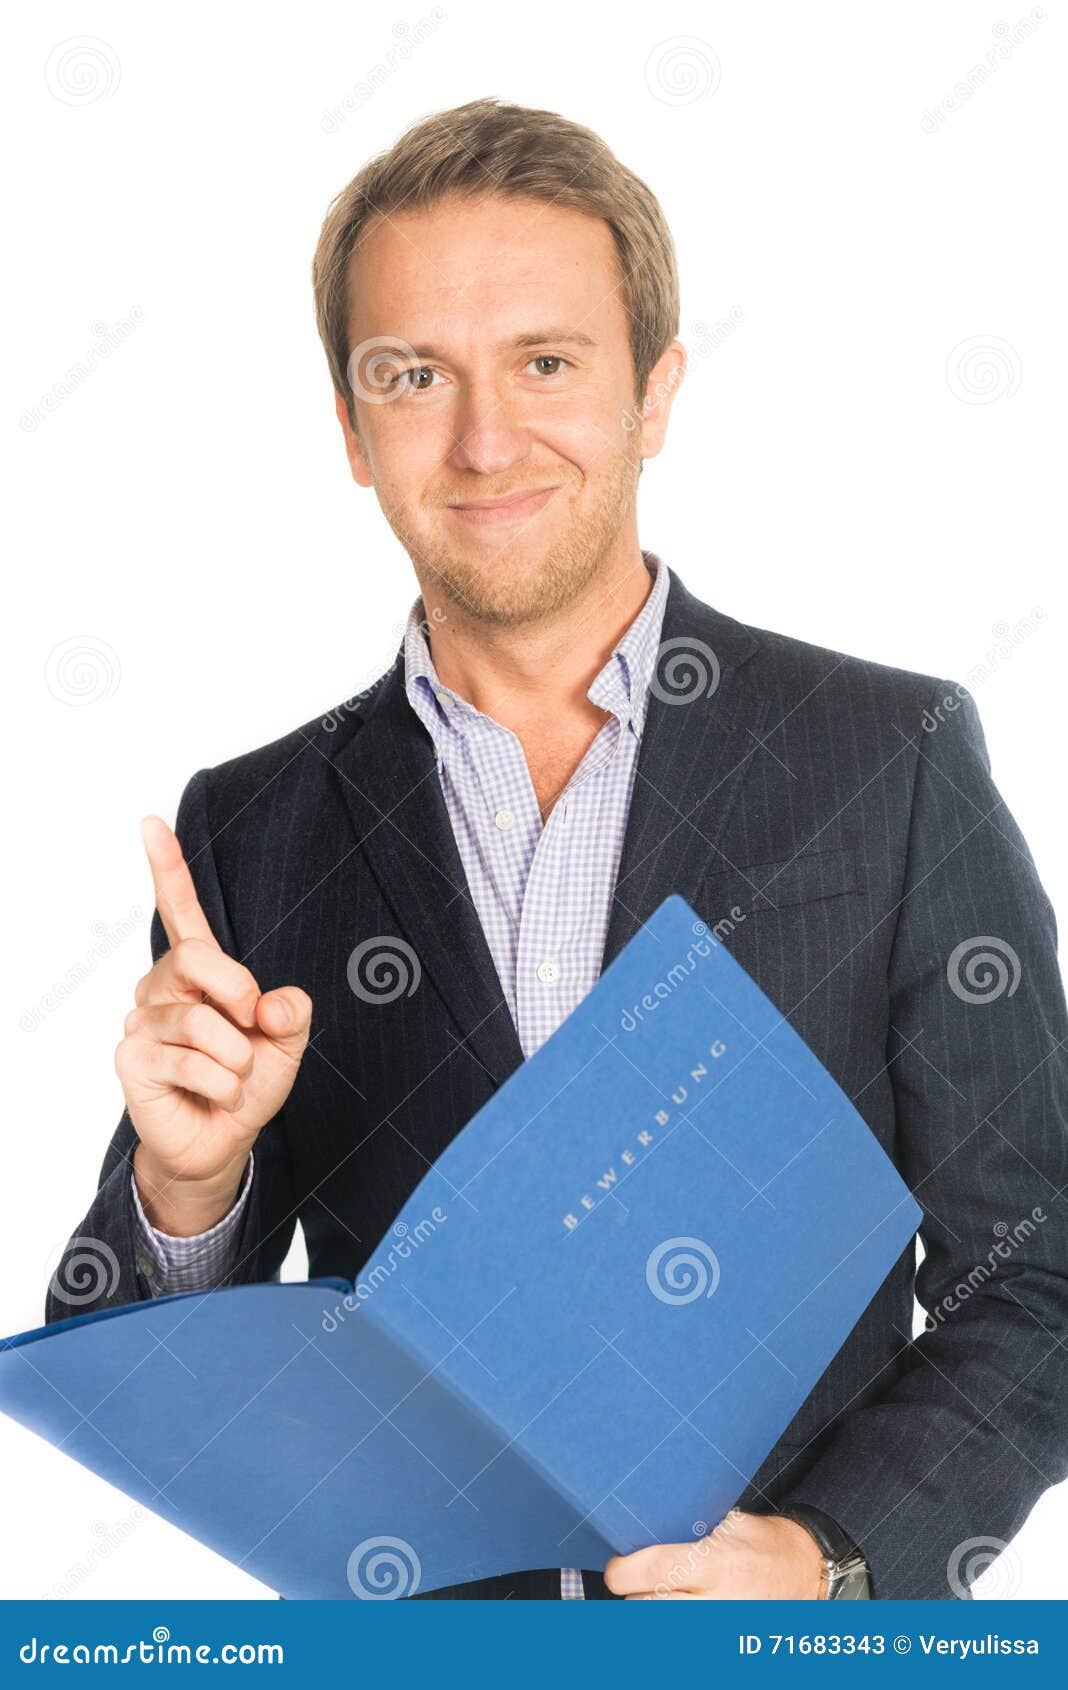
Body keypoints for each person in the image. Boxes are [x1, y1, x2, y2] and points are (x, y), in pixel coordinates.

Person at [48, 98, 1068, 1601]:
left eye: (545, 362)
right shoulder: (251, 830)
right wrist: (190, 1185)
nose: (483, 440)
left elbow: (1037, 1277)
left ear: (654, 394)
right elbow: (140, 1376)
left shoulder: (886, 759)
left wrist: (828, 1556)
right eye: (414, 375)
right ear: (351, 430)